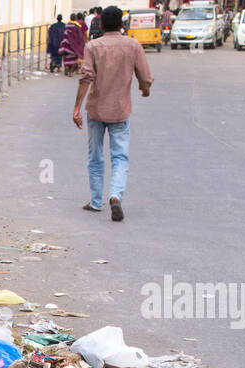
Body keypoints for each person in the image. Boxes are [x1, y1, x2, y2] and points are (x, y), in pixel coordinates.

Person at [73, 6, 153, 221]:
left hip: (96, 109)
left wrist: (76, 108)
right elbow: (145, 77)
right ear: (121, 24)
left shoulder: (93, 46)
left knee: (95, 156)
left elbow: (86, 78)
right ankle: (115, 196)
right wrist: (144, 89)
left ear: (101, 25)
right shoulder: (133, 45)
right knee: (120, 157)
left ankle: (96, 202)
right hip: (120, 110)